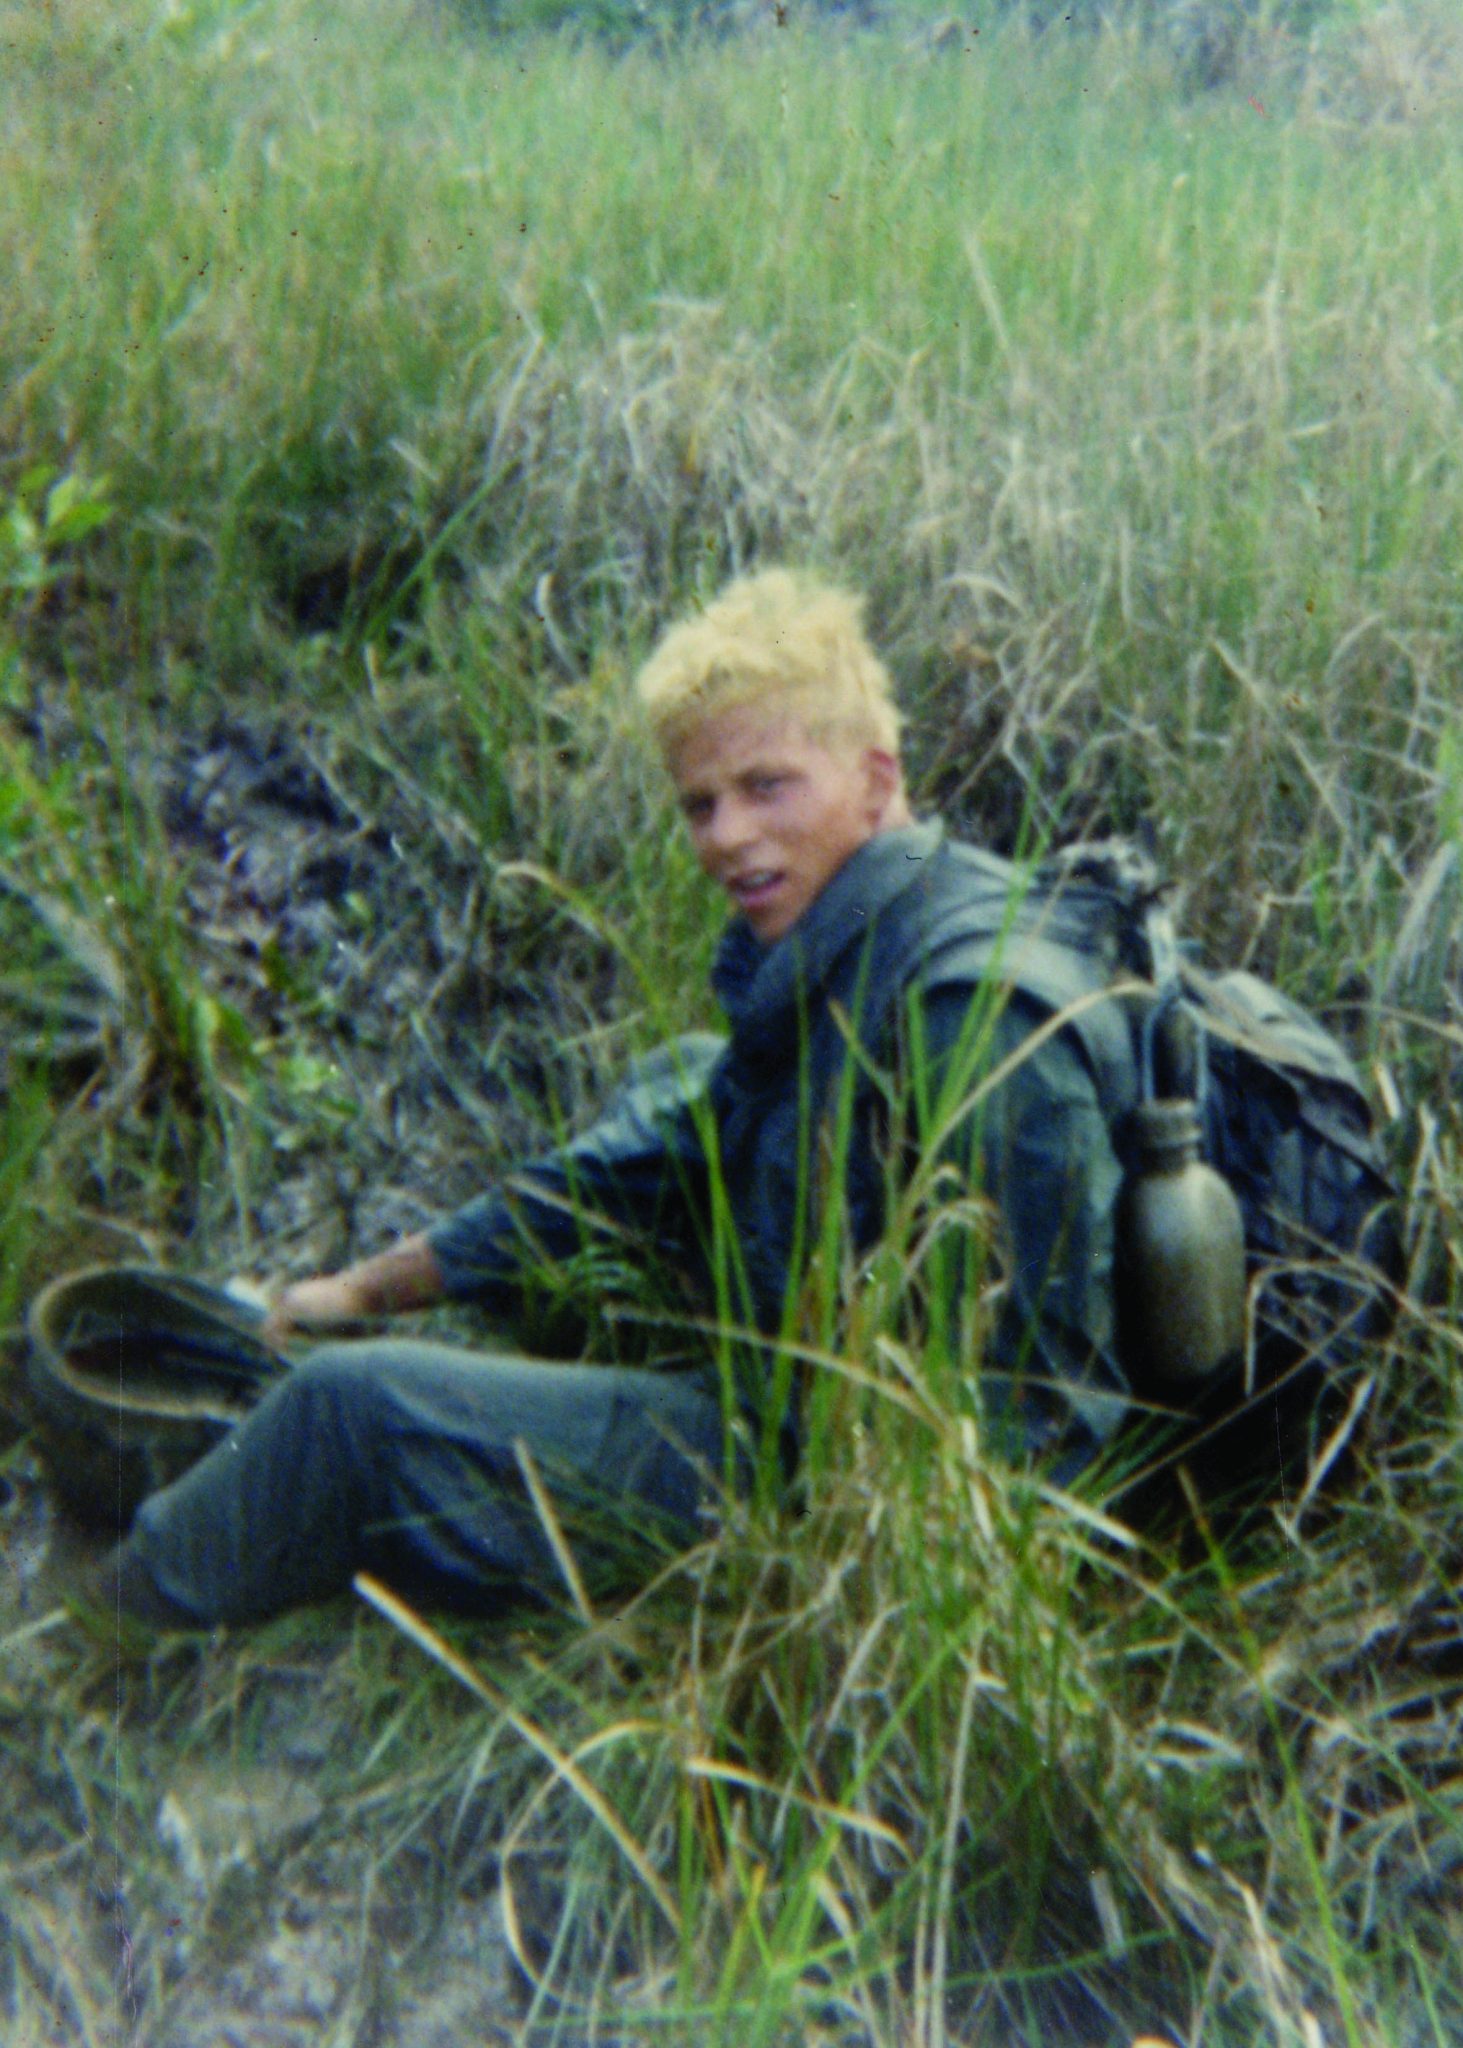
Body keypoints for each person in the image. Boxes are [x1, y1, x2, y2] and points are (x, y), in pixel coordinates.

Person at [93, 569, 1137, 1631]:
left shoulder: (977, 1020)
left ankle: (96, 1632)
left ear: (875, 781)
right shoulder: (861, 930)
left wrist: (831, 1595)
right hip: (824, 1384)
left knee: (347, 1412)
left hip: (822, 1491)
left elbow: (1044, 1431)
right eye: (700, 802)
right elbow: (644, 1153)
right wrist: (369, 1287)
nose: (725, 836)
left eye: (766, 785)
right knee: (673, 1082)